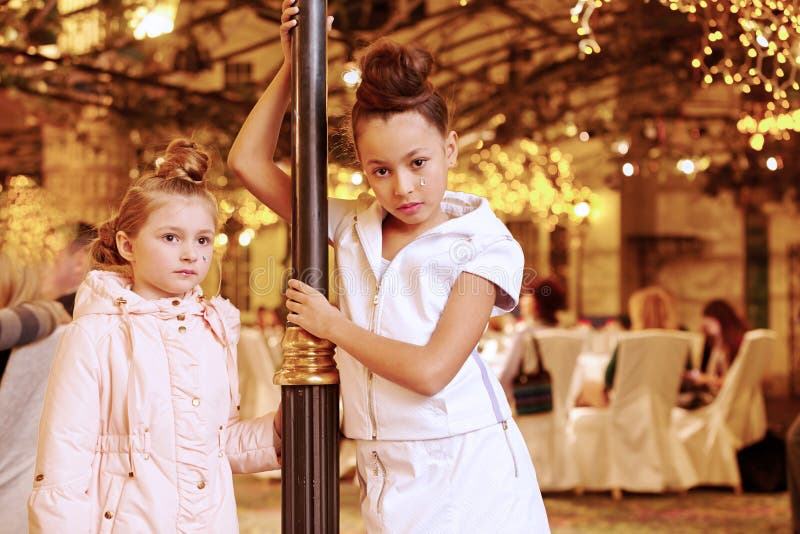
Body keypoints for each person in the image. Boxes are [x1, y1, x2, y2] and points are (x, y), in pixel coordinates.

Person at [227, 4, 550, 531]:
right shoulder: (352, 226)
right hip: (381, 466)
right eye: (381, 169)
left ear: (449, 149)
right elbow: (248, 162)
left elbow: (430, 371)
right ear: (362, 165)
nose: (403, 187)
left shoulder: (486, 245)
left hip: (467, 468)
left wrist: (332, 326)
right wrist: (293, 66)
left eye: (418, 162)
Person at [28, 139, 282, 532]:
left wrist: (281, 431)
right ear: (128, 245)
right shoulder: (94, 335)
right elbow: (63, 462)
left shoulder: (214, 329)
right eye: (170, 237)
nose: (190, 254)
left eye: (202, 239)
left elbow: (212, 445)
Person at [680, 298, 748, 407]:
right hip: (724, 400)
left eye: (709, 323)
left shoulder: (735, 344)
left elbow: (736, 381)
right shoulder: (719, 342)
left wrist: (707, 379)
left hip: (723, 401)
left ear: (719, 319)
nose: (706, 327)